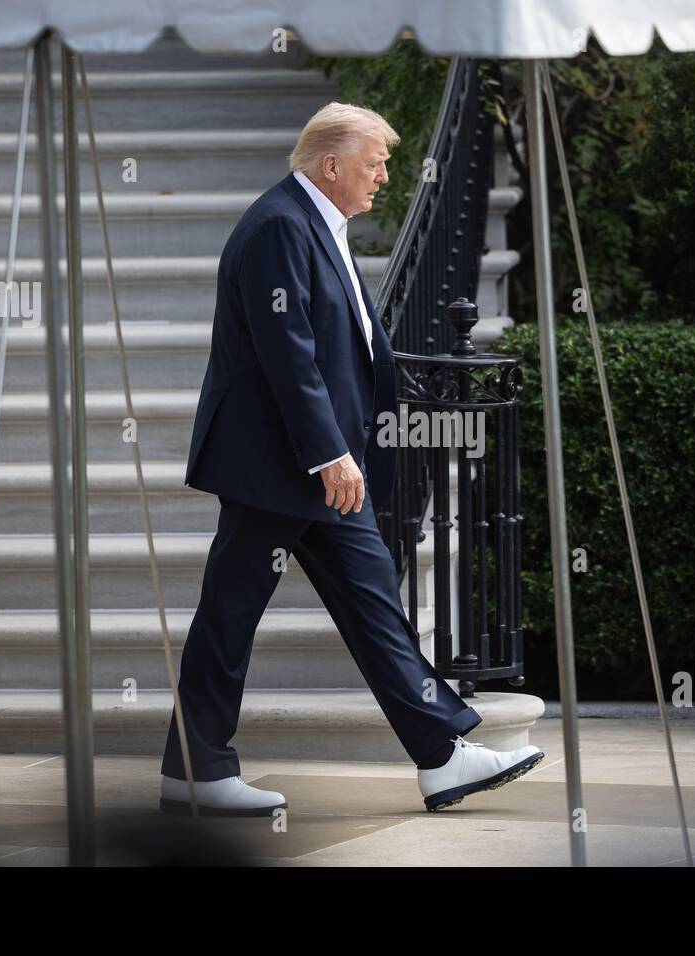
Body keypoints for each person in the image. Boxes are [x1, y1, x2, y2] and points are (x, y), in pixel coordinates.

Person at [158, 102, 542, 816]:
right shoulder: (279, 225)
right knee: (230, 615)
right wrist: (331, 452)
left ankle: (442, 755)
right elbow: (288, 355)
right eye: (375, 163)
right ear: (330, 165)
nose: (385, 177)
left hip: (313, 468)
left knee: (374, 609)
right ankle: (195, 769)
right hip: (279, 468)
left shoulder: (312, 223)